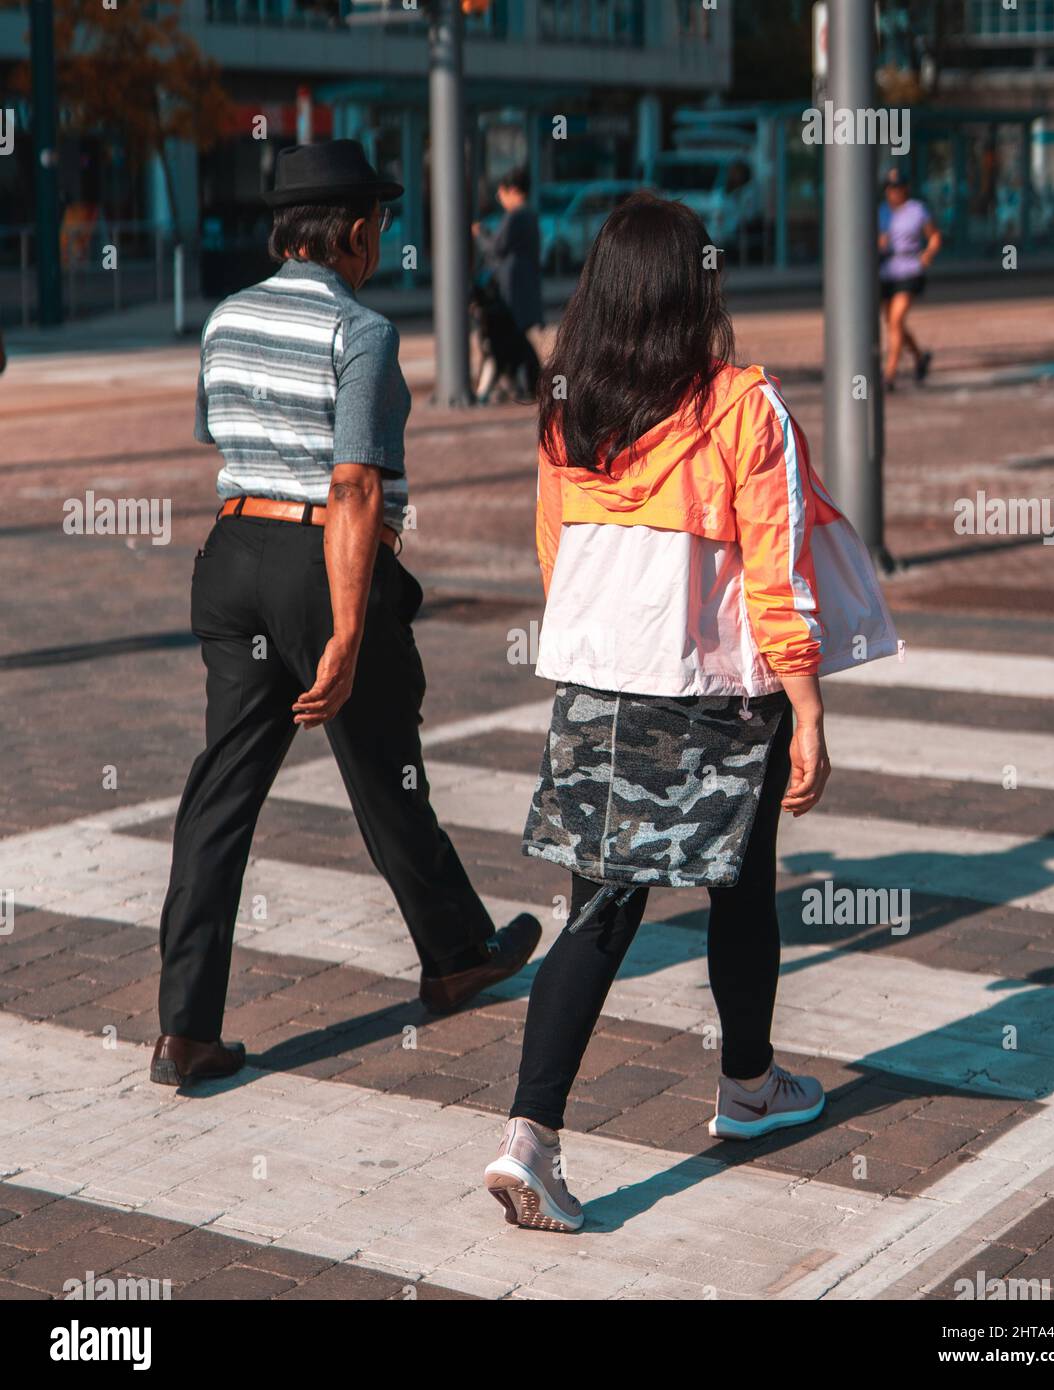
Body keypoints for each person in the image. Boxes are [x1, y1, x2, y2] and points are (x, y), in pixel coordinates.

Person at [482, 191, 898, 1233]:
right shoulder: (743, 408)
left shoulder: (569, 405)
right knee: (738, 886)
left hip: (594, 679)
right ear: (693, 287)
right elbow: (778, 575)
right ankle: (732, 1087)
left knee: (599, 908)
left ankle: (546, 1133)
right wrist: (807, 708)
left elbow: (553, 549)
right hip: (712, 694)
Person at [151, 140, 540, 1089]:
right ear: (356, 232)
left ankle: (184, 1029)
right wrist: (348, 631)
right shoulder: (359, 332)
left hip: (231, 554)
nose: (383, 241)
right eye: (382, 225)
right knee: (385, 770)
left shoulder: (224, 319)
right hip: (317, 560)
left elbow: (223, 434)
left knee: (219, 796)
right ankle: (454, 958)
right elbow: (355, 485)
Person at [472, 168, 543, 400]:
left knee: (512, 339)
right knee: (517, 339)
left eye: (501, 192)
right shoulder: (529, 216)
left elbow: (496, 248)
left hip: (512, 289)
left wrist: (480, 233)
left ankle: (525, 385)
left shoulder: (517, 216)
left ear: (513, 191)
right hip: (523, 285)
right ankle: (523, 384)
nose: (499, 198)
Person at [878, 168, 941, 391]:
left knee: (896, 320)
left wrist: (927, 254)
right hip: (887, 271)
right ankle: (919, 356)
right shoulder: (882, 211)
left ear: (905, 189)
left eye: (897, 188)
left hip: (909, 269)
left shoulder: (917, 210)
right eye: (890, 188)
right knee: (894, 323)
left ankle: (890, 374)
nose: (893, 193)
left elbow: (934, 236)